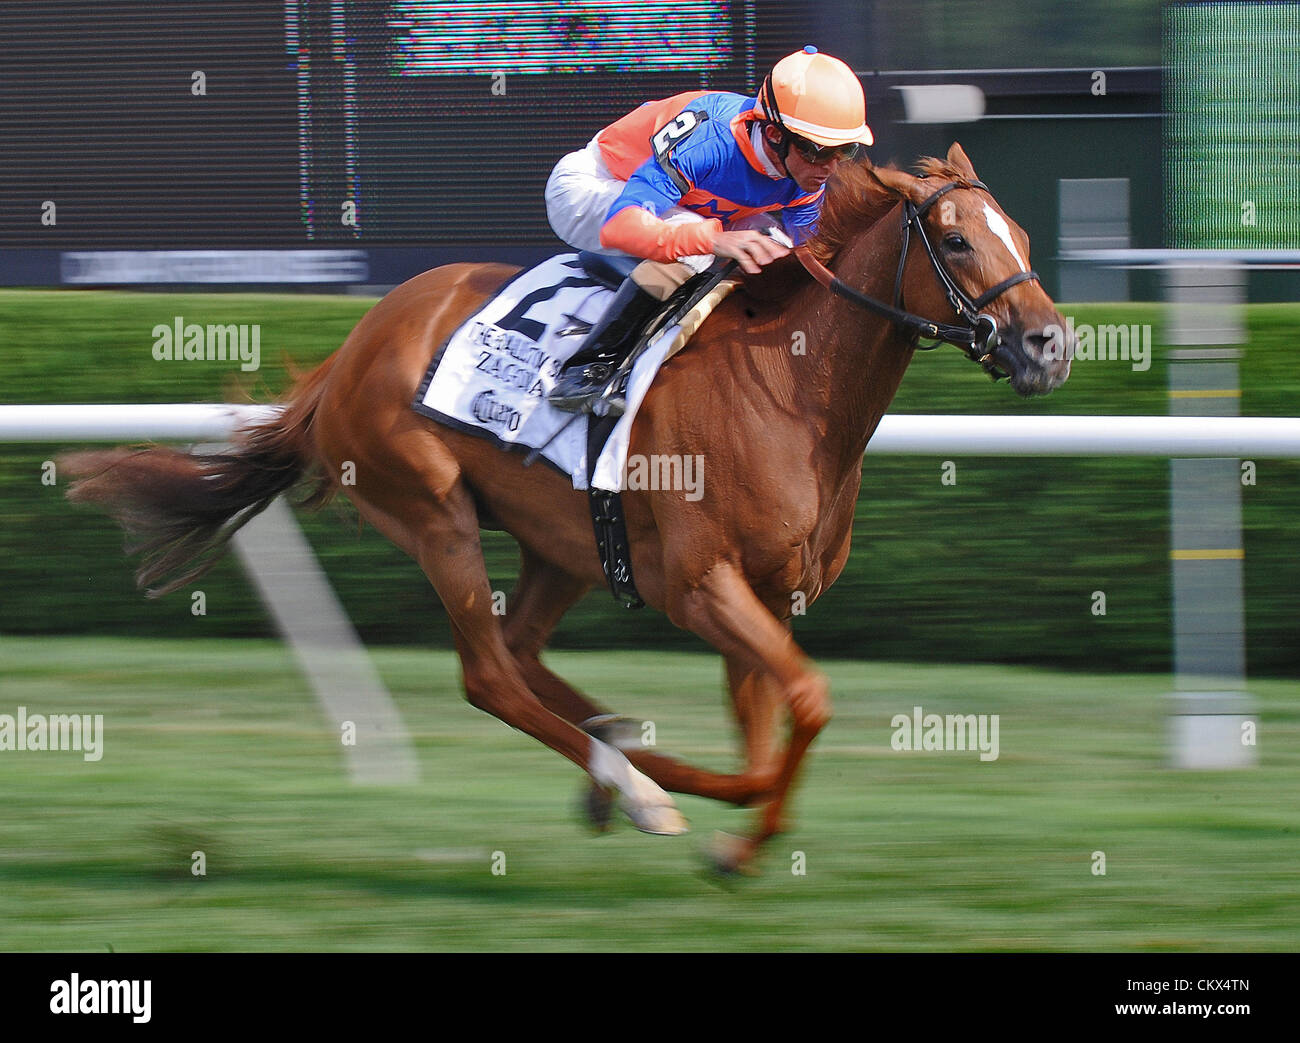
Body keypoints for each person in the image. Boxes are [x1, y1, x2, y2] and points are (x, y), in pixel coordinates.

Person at [544, 45, 874, 412]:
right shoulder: (708, 141)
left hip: (691, 203)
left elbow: (810, 257)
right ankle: (589, 369)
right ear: (774, 135)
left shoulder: (804, 170)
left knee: (775, 249)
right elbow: (622, 225)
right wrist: (713, 239)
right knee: (697, 243)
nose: (829, 166)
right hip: (594, 186)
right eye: (816, 151)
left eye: (843, 151)